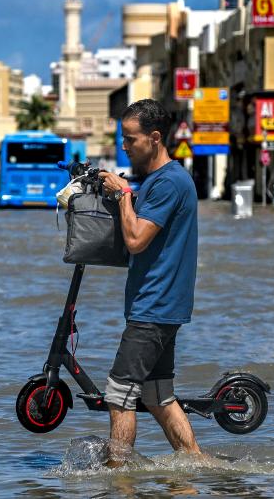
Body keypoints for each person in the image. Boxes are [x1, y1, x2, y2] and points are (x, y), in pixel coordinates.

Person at [98, 99, 201, 467]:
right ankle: (195, 469)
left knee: (119, 394)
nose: (124, 146)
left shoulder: (168, 182)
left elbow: (136, 240)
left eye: (131, 139)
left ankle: (119, 477)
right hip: (161, 305)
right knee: (157, 395)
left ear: (155, 138)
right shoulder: (161, 181)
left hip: (154, 306)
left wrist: (123, 194)